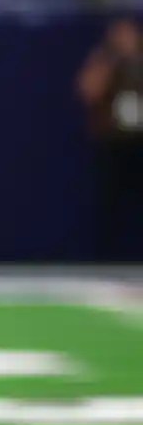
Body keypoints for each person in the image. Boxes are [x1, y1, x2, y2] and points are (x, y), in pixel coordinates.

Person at [77, 16, 143, 262]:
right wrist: (111, 59)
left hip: (140, 141)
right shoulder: (106, 62)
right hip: (114, 143)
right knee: (111, 206)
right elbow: (88, 90)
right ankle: (106, 259)